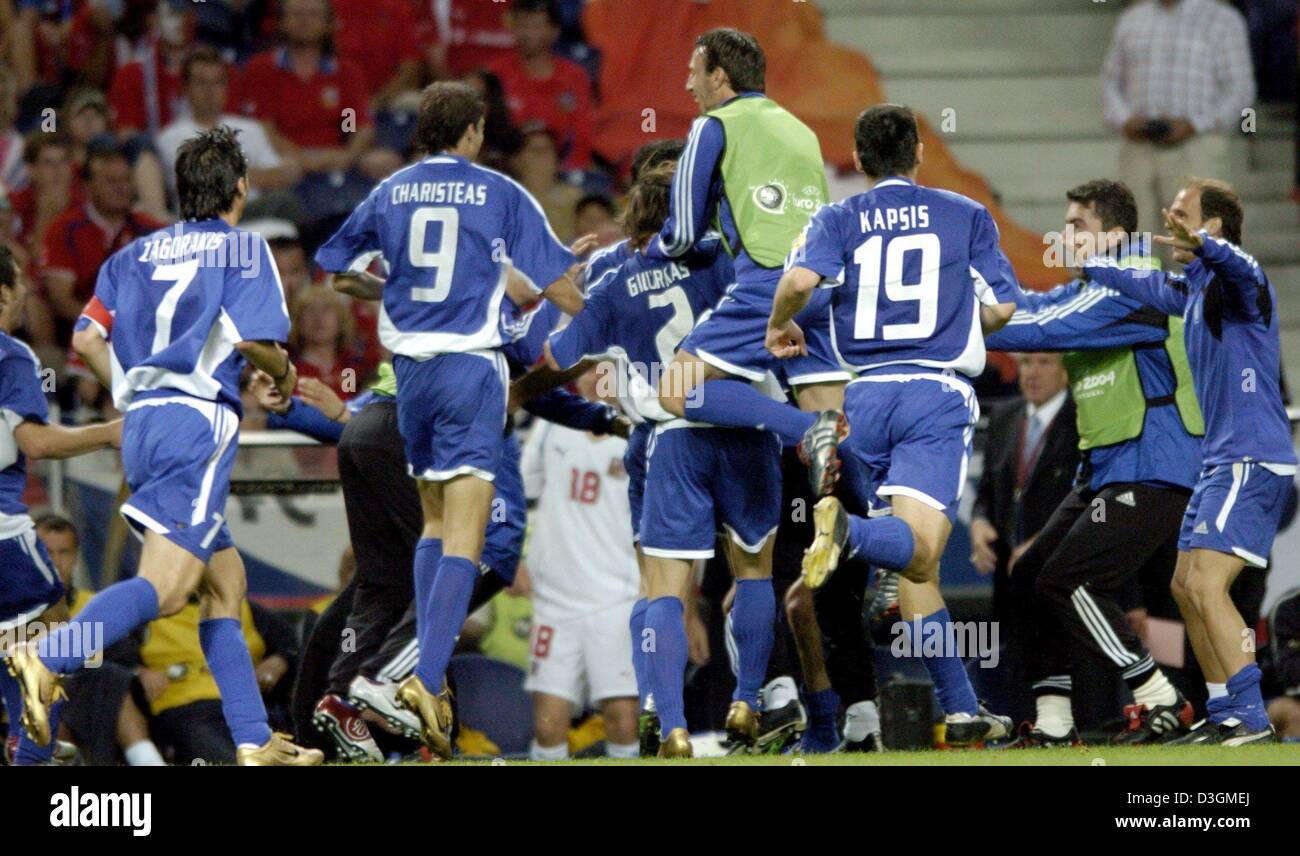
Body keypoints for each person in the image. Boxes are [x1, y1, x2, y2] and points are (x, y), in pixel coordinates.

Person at [8, 125, 323, 765]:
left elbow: (88, 338)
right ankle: (51, 655)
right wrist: (285, 377)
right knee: (169, 588)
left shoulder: (133, 254)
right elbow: (257, 344)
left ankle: (255, 739)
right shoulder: (244, 250)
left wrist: (135, 394)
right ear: (240, 188)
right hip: (197, 425)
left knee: (223, 582)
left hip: (147, 423)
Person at [314, 81, 582, 760]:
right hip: (469, 370)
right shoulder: (498, 191)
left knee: (434, 524)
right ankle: (417, 678)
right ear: (472, 132)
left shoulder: (390, 191)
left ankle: (404, 676)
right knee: (472, 536)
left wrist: (388, 290)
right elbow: (557, 285)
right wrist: (601, 317)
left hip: (409, 377)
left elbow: (335, 269)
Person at [765, 103, 1019, 746]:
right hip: (933, 395)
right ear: (919, 153)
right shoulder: (965, 214)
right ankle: (848, 531)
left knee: (914, 573)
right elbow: (1005, 308)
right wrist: (967, 320)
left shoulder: (839, 216)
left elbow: (797, 280)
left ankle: (962, 710)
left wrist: (779, 324)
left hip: (864, 401)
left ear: (859, 155)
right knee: (925, 549)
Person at [986, 179, 1204, 744]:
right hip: (1111, 470)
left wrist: (945, 321)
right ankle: (1056, 720)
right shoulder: (1095, 286)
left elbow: (1038, 328)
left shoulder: (1135, 287)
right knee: (1032, 574)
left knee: (1071, 580)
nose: (1065, 237)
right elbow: (1036, 305)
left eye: (1076, 226)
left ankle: (1160, 696)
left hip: (1155, 466)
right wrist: (976, 285)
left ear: (1114, 234)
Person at [546, 162, 751, 758]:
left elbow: (561, 349)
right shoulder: (722, 257)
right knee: (755, 571)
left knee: (655, 583)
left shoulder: (614, 269)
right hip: (738, 424)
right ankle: (758, 698)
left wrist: (554, 292)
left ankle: (666, 710)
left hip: (661, 435)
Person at [1082, 177, 1294, 745]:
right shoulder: (1194, 291)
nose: (1169, 221)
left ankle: (1251, 720)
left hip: (1253, 459)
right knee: (1184, 585)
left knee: (1207, 587)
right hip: (1220, 462)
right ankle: (1223, 709)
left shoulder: (1242, 285)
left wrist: (1206, 245)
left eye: (1181, 214)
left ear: (1214, 226)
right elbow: (1144, 284)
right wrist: (1092, 262)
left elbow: (1241, 266)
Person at [0, 244, 122, 766]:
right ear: (2, 292)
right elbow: (37, 444)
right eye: (20, 280)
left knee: (16, 641)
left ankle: (21, 734)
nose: (27, 289)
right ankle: (30, 748)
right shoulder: (10, 354)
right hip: (3, 536)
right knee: (58, 634)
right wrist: (112, 432)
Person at [521, 365, 641, 761]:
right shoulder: (552, 427)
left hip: (617, 597)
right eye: (588, 369)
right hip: (555, 598)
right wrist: (519, 556)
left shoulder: (640, 435)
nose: (594, 378)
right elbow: (522, 494)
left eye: (606, 370)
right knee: (547, 723)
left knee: (623, 718)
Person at [1101, 0, 1255, 235]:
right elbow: (1110, 82)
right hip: (1139, 148)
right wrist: (1125, 120)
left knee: (1196, 246)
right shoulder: (1132, 19)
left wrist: (1194, 124)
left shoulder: (1222, 19)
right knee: (1134, 244)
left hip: (1197, 148)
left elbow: (1241, 90)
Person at [34, 514, 167, 767]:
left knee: (108, 676)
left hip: (90, 694)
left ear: (75, 558)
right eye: (46, 552)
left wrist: (140, 670)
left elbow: (124, 656)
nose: (55, 561)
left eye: (64, 552)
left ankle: (145, 758)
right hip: (30, 694)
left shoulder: (97, 606)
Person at [155, 47, 301, 206]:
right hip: (206, 219)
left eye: (217, 82)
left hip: (257, 211)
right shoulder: (170, 137)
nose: (210, 91)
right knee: (283, 202)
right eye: (201, 83)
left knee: (289, 199)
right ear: (185, 88)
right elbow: (199, 184)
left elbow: (284, 175)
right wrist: (258, 177)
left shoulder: (250, 128)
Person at [488, 0, 594, 172]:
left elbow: (582, 135)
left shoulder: (574, 77)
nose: (528, 33)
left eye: (536, 26)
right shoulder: (496, 73)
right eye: (522, 25)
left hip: (560, 173)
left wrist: (567, 171)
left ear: (554, 31)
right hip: (507, 170)